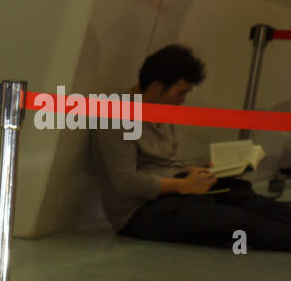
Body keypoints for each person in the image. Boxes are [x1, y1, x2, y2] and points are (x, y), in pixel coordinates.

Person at [91, 44, 291, 250]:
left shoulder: (160, 108)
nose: (182, 101)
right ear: (158, 87)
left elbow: (168, 162)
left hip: (175, 192)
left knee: (244, 197)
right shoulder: (115, 115)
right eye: (180, 93)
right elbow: (126, 182)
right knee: (240, 223)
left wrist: (194, 172)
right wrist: (183, 185)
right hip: (141, 211)